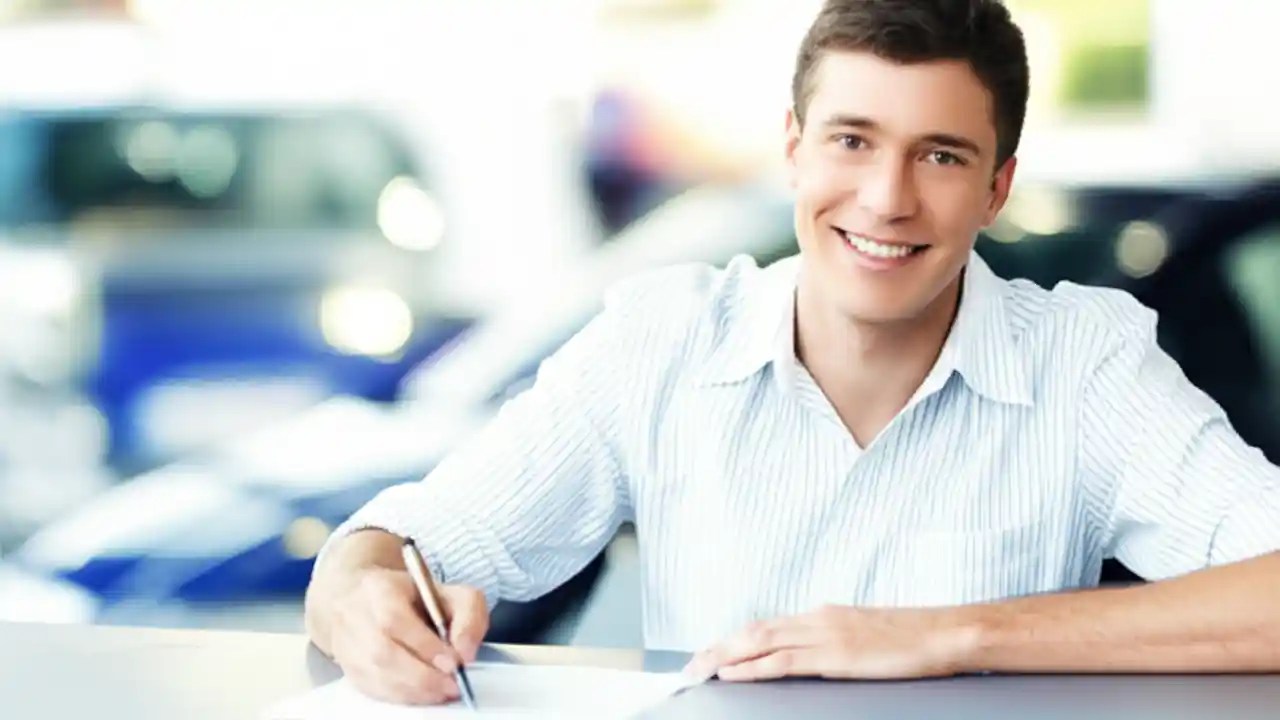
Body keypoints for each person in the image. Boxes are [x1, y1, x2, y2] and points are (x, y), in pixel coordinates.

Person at [303, 0, 1280, 705]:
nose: (886, 197)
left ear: (995, 189)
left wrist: (947, 636)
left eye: (938, 155)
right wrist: (359, 596)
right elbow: (399, 543)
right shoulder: (661, 342)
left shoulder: (1084, 365)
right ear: (793, 149)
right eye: (851, 141)